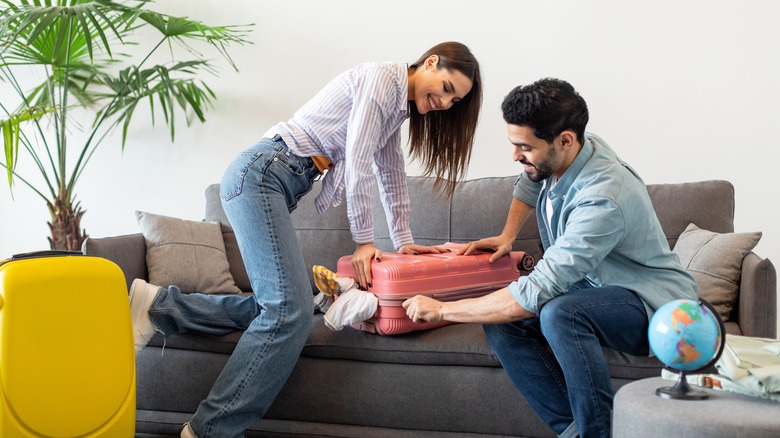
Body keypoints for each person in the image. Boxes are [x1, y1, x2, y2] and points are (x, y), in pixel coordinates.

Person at [126, 41, 482, 438]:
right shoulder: (382, 81)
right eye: (448, 89)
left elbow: (390, 174)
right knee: (288, 313)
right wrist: (365, 240)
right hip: (261, 175)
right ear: (431, 62)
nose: (446, 104)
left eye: (456, 101)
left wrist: (403, 241)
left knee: (288, 306)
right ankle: (211, 430)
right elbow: (359, 162)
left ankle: (160, 306)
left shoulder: (395, 105)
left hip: (272, 179)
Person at [402, 78, 697, 438]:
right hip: (593, 290)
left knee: (561, 313)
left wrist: (442, 309)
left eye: (524, 146)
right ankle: (577, 432)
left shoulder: (604, 197)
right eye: (514, 144)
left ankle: (598, 432)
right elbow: (530, 179)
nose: (515, 156)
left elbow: (538, 290)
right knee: (502, 321)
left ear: (565, 140)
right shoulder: (570, 150)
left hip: (651, 302)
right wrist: (508, 235)